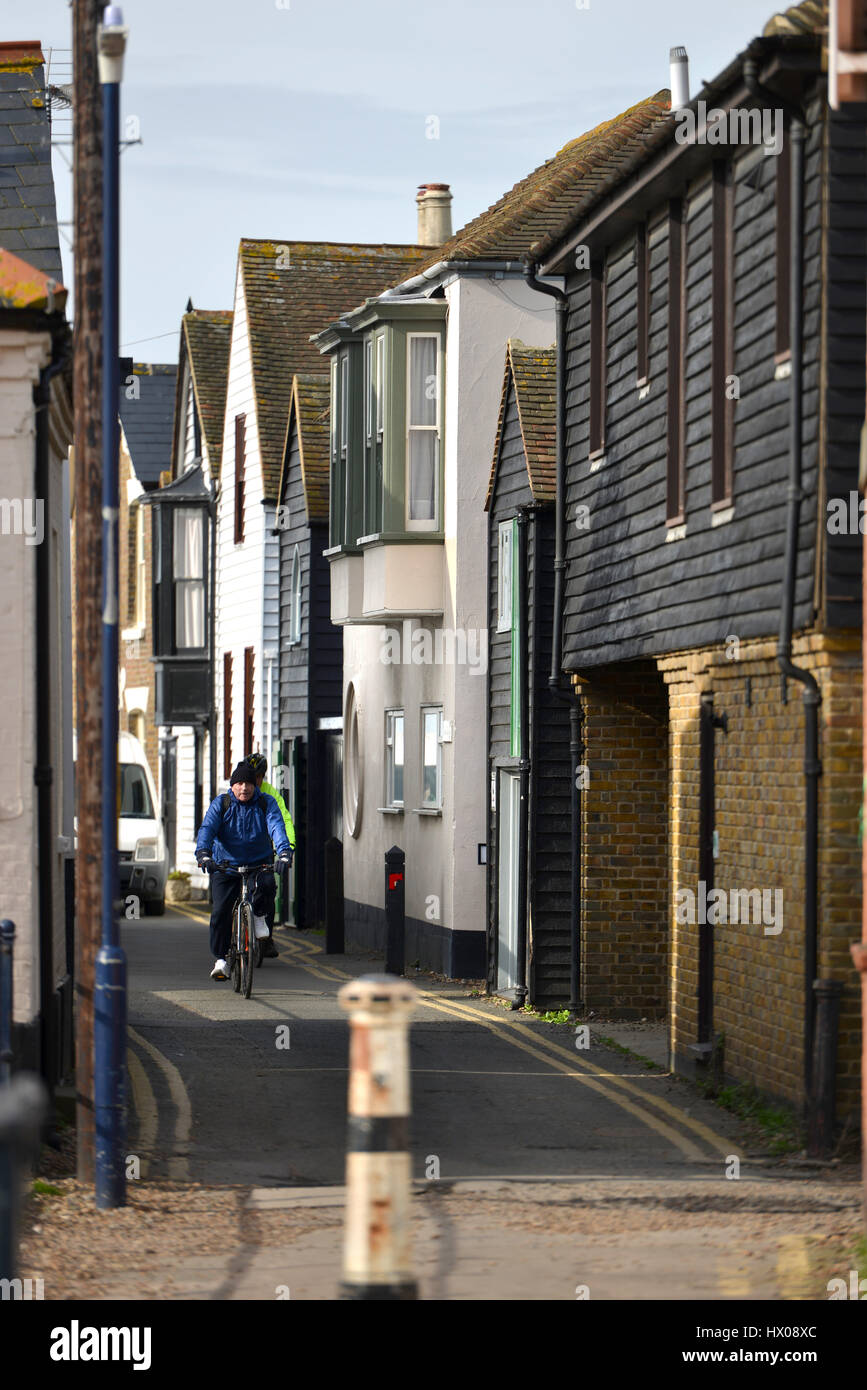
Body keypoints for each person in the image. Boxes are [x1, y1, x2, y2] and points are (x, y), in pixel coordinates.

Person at [195, 761, 292, 980]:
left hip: (259, 863)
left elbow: (277, 826)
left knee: (267, 886)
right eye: (239, 783)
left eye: (248, 783)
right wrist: (203, 854)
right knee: (220, 912)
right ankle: (221, 960)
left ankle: (258, 917)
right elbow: (208, 829)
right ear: (232, 785)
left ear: (255, 785)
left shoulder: (266, 803)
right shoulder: (223, 803)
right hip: (225, 865)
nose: (244, 788)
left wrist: (284, 852)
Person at [244, 752, 296, 957]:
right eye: (252, 775)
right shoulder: (239, 790)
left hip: (262, 850)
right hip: (238, 852)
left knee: (267, 888)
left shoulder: (271, 795)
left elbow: (284, 821)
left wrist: (287, 848)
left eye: (258, 776)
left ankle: (266, 939)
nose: (254, 781)